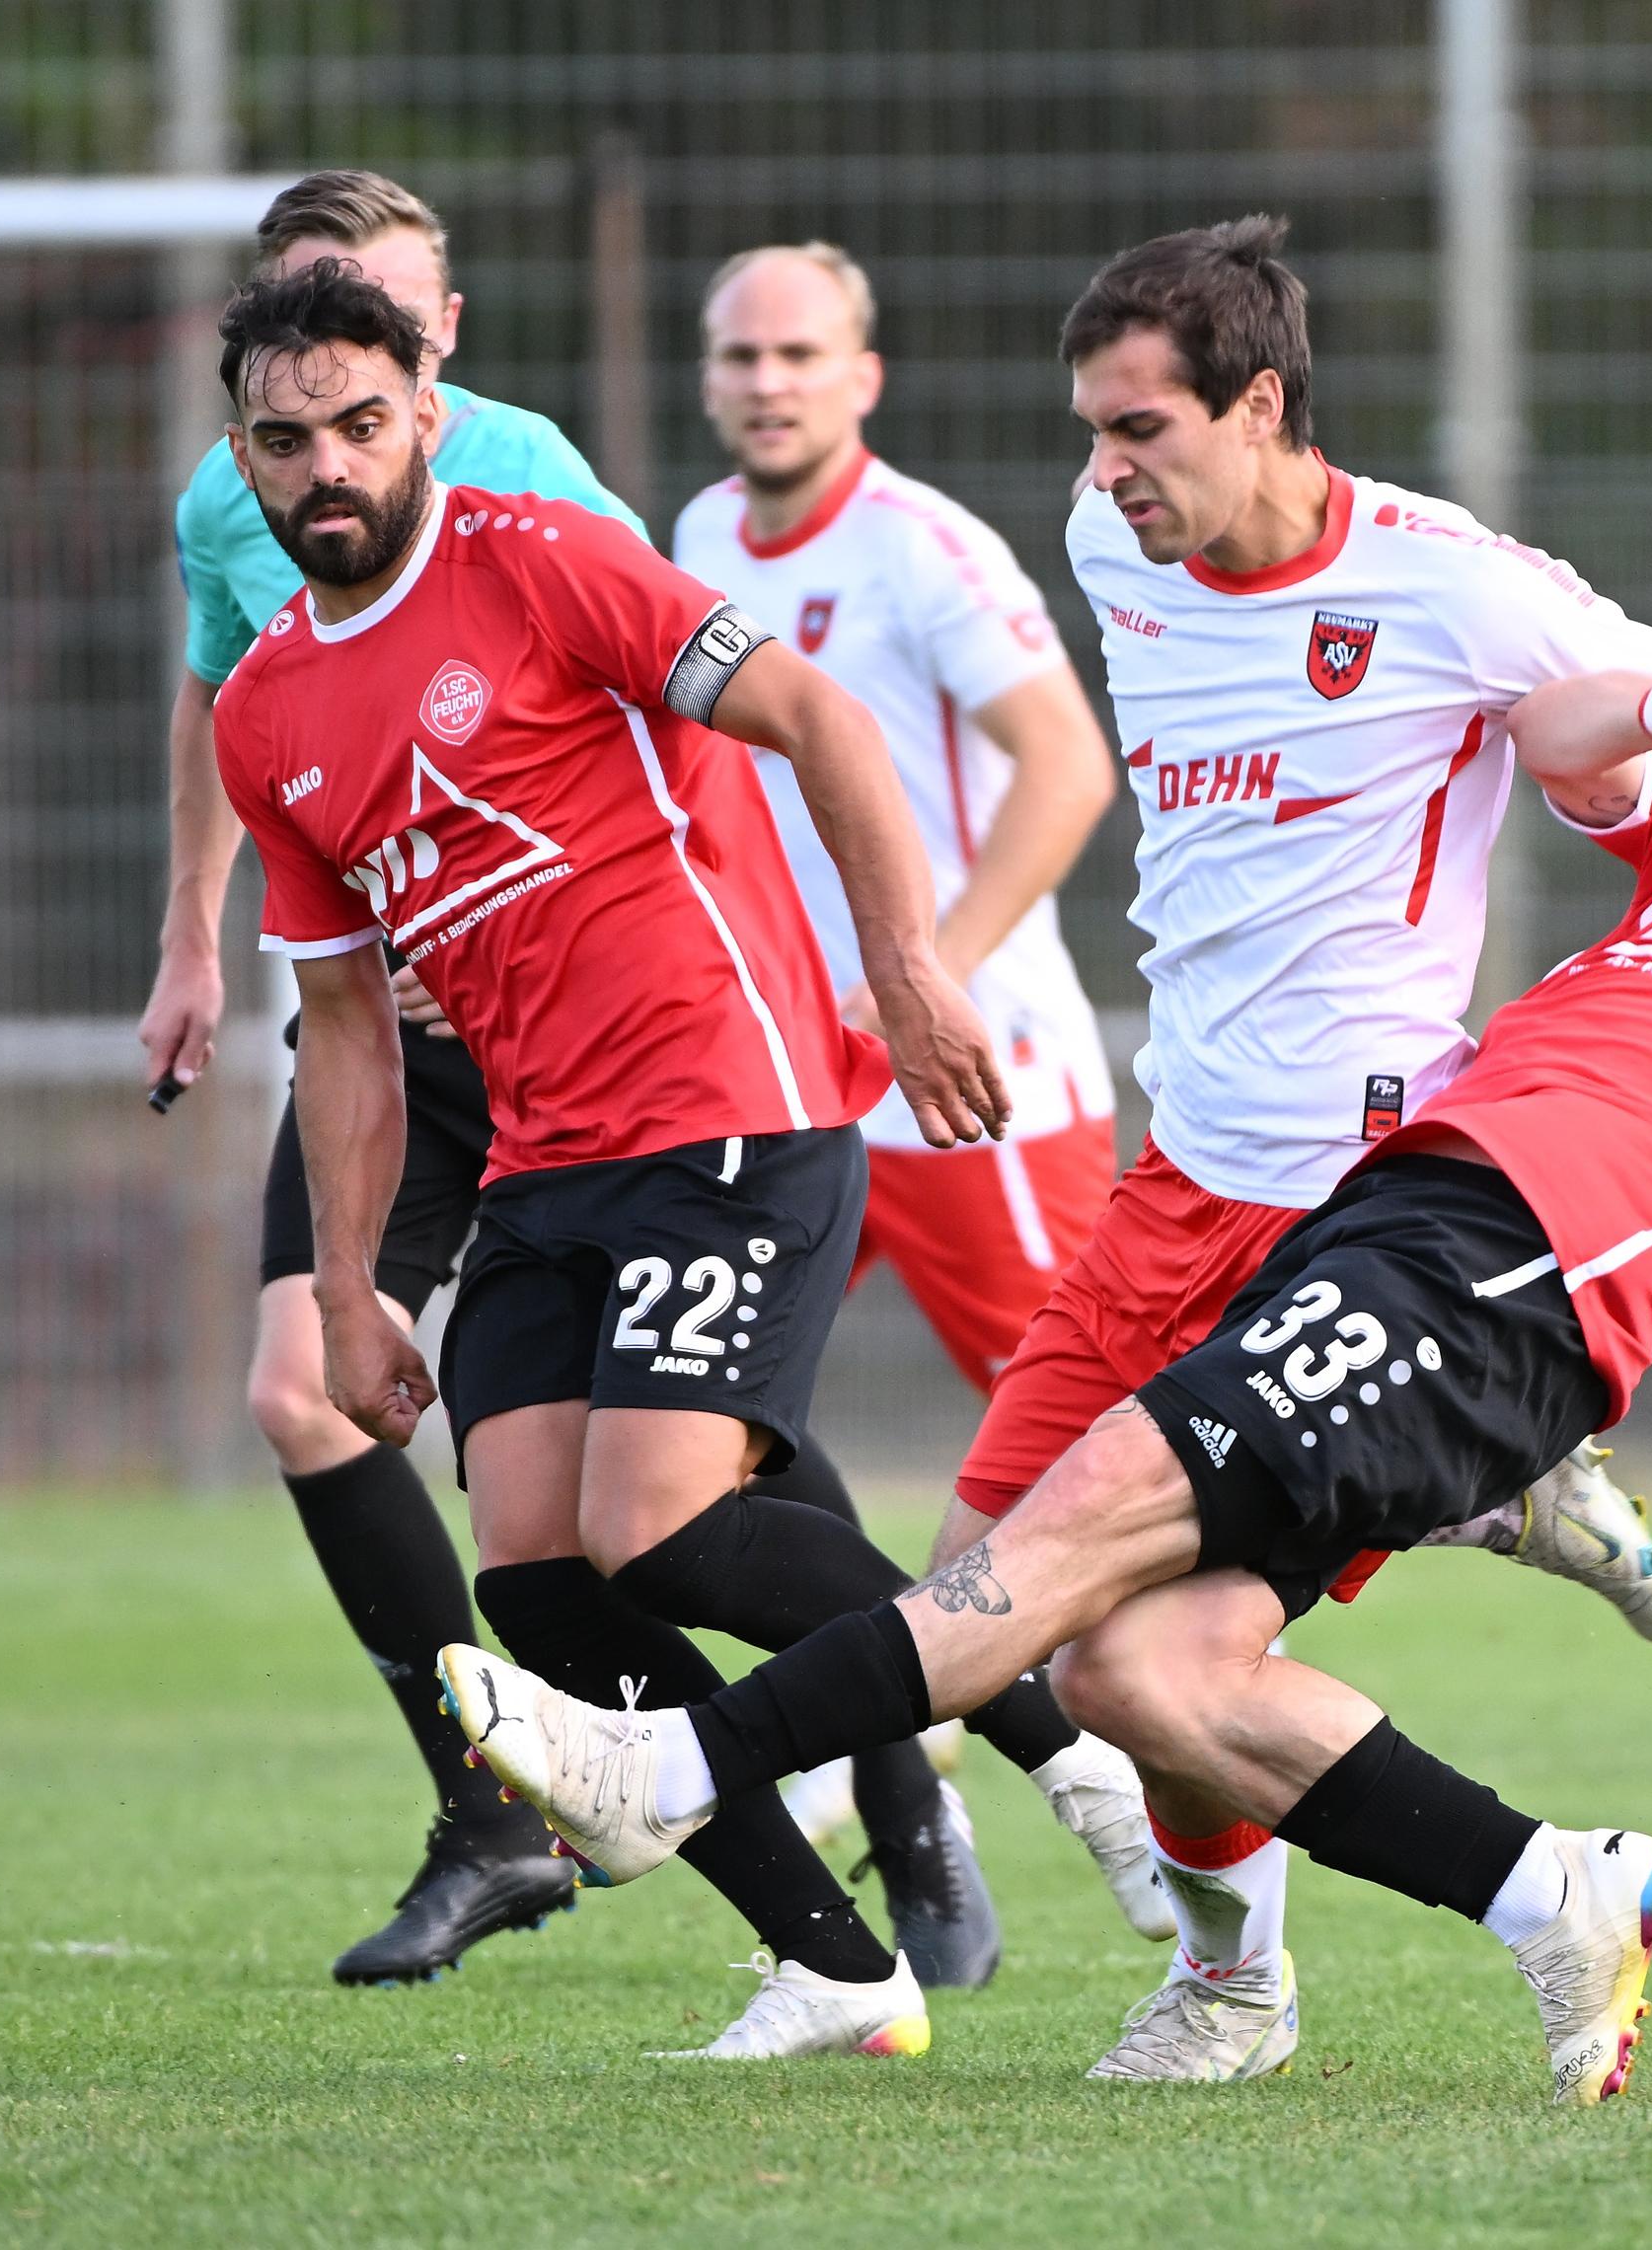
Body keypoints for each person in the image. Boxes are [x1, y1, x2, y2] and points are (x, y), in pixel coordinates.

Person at [446, 659, 1652, 2111]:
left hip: (1513, 1276)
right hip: (1416, 1239)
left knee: (1071, 1526)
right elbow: (1556, 718)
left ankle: (669, 1772)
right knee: (1142, 1672)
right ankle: (1551, 1894)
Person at [757, 215, 1652, 2061]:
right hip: (1176, 1178)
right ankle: (1480, 1534)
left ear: (1262, 404)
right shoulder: (1109, 542)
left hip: (1355, 1220)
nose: (1103, 471)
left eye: (1141, 427)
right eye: (1090, 429)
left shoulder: (1451, 581)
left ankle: (1151, 1960)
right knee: (991, 1607)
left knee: (1112, 1648)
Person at [208, 259, 1133, 2059]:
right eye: (283, 437)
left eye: (357, 425)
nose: (325, 465)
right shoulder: (267, 717)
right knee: (541, 1577)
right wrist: (341, 1287)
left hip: (736, 1101)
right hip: (542, 1160)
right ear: (243, 453)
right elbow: (345, 1035)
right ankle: (835, 1968)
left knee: (662, 1525)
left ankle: (1058, 1732)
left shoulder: (543, 557)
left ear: (421, 415)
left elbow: (823, 721)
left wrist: (912, 973)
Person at [139, 169, 681, 1988]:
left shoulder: (528, 471)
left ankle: (918, 1804)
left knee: (667, 1473)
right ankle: (490, 1809)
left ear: (432, 345)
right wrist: (192, 936)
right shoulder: (236, 500)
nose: (321, 438)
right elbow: (238, 715)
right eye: (298, 322)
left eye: (370, 321)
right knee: (306, 1390)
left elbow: (664, 690)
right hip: (377, 1022)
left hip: (563, 1025)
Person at [673, 241, 1163, 1964]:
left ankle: (1189, 1823)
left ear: (861, 375)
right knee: (723, 1453)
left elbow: (1069, 764)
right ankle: (910, 1788)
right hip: (790, 1088)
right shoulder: (698, 544)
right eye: (740, 354)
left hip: (980, 1096)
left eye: (801, 352)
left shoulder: (927, 547)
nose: (767, 381)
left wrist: (920, 978)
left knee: (1115, 1474)